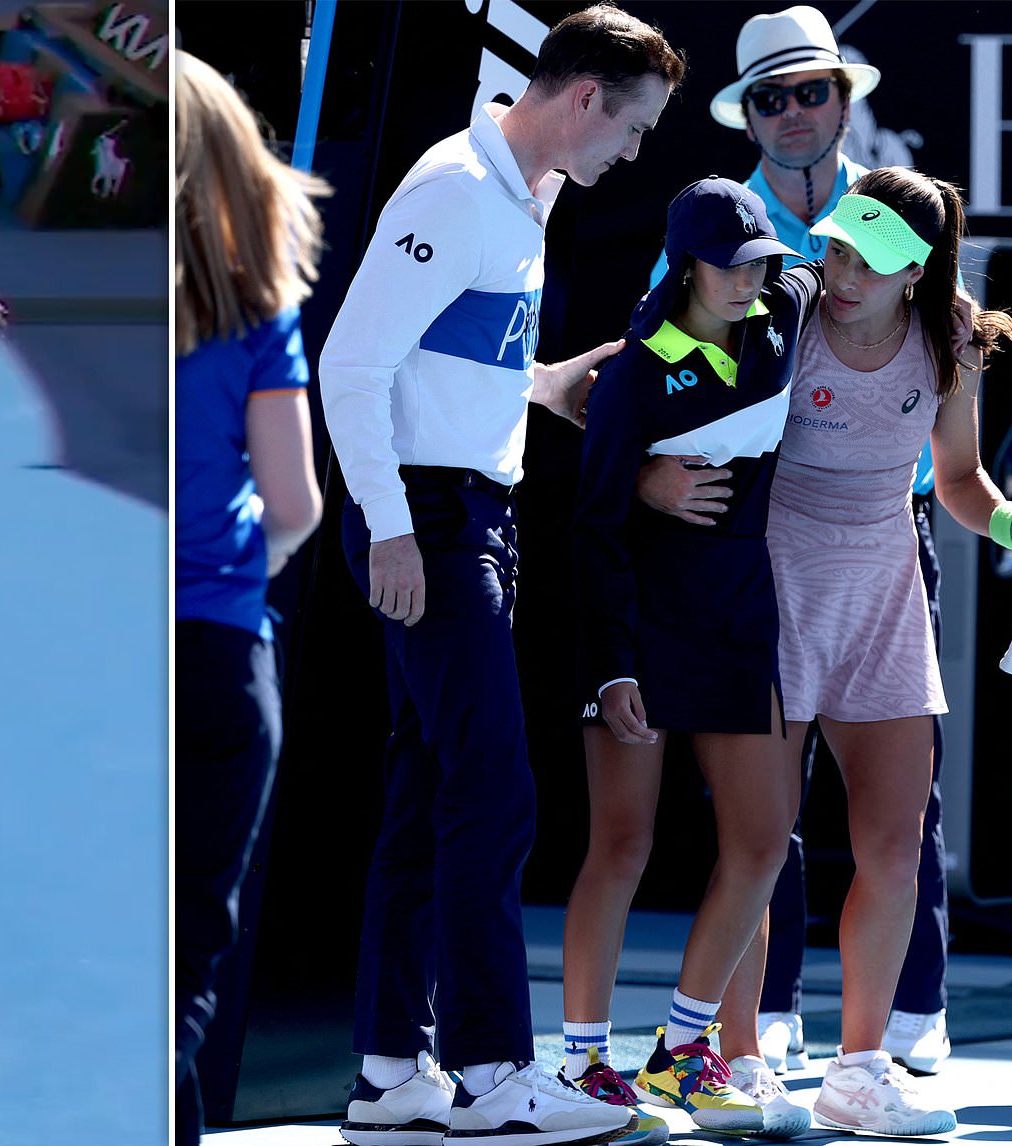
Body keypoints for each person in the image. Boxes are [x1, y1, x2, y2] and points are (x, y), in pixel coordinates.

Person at [316, 7, 684, 1144]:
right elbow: (350, 362)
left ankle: (390, 1070)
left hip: (475, 514)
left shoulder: (527, 195)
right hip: (427, 523)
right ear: (583, 100)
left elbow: (448, 353)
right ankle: (490, 1072)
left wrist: (544, 383)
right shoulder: (451, 190)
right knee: (493, 790)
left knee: (431, 792)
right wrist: (388, 531)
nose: (632, 155)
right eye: (632, 132)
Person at [637, 4, 954, 1084]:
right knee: (763, 826)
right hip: (762, 554)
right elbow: (647, 373)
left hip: (891, 541)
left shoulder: (903, 220)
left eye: (809, 90)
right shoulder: (729, 230)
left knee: (905, 812)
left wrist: (1008, 517)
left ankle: (907, 1019)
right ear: (752, 116)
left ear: (843, 99)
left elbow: (954, 458)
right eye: (770, 96)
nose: (793, 112)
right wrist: (649, 468)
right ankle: (757, 1027)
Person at [756, 168, 1012, 1136]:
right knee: (755, 846)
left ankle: (859, 1072)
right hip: (775, 586)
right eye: (837, 248)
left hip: (886, 595)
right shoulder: (786, 310)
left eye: (870, 259)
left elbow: (957, 478)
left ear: (916, 273)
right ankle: (739, 1058)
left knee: (896, 848)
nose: (843, 270)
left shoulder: (948, 338)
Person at [560, 177, 820, 1144]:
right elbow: (591, 526)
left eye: (762, 262)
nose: (754, 279)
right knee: (622, 844)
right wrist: (612, 666)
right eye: (734, 263)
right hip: (638, 632)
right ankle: (584, 1062)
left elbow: (853, 269)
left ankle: (681, 1050)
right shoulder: (631, 372)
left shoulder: (783, 307)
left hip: (736, 620)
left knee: (762, 839)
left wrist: (946, 302)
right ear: (687, 267)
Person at [172, 49, 328, 1146]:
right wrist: (228, 580)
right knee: (177, 988)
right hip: (223, 667)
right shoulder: (258, 312)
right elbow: (297, 505)